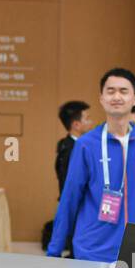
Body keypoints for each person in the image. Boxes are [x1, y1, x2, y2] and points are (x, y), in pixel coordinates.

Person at [47, 67, 135, 262]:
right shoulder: (86, 144)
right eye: (110, 91)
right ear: (101, 98)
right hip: (92, 250)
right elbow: (70, 199)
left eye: (124, 91)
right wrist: (54, 251)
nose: (116, 96)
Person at [43, 100, 93, 252]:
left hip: (80, 205)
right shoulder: (69, 149)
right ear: (76, 125)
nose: (91, 122)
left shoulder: (79, 145)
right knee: (76, 249)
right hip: (76, 205)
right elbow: (67, 183)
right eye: (87, 118)